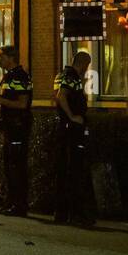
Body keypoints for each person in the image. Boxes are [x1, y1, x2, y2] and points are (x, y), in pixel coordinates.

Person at [0, 44, 32, 216]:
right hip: (10, 126)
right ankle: (12, 201)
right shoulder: (10, 77)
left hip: (18, 126)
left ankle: (19, 205)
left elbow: (22, 103)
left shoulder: (20, 76)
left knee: (16, 166)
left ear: (11, 58)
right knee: (9, 165)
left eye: (1, 57)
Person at [53, 50, 95, 227]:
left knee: (64, 170)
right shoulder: (71, 76)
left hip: (64, 129)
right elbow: (61, 96)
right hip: (72, 130)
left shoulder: (62, 75)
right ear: (83, 64)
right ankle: (76, 213)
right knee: (76, 171)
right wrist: (72, 116)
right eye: (86, 66)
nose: (87, 70)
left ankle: (61, 213)